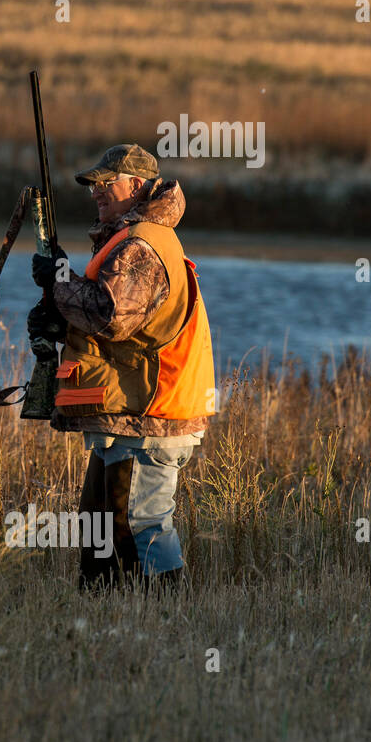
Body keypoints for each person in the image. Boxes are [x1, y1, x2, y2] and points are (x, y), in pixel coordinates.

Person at [28, 144, 215, 592]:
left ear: (136, 185)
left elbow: (110, 316)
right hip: (133, 406)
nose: (96, 191)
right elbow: (107, 321)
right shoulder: (132, 239)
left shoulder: (142, 244)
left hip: (150, 410)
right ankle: (104, 617)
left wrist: (59, 281)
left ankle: (169, 615)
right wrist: (57, 302)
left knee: (141, 523)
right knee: (99, 522)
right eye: (94, 183)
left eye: (105, 182)